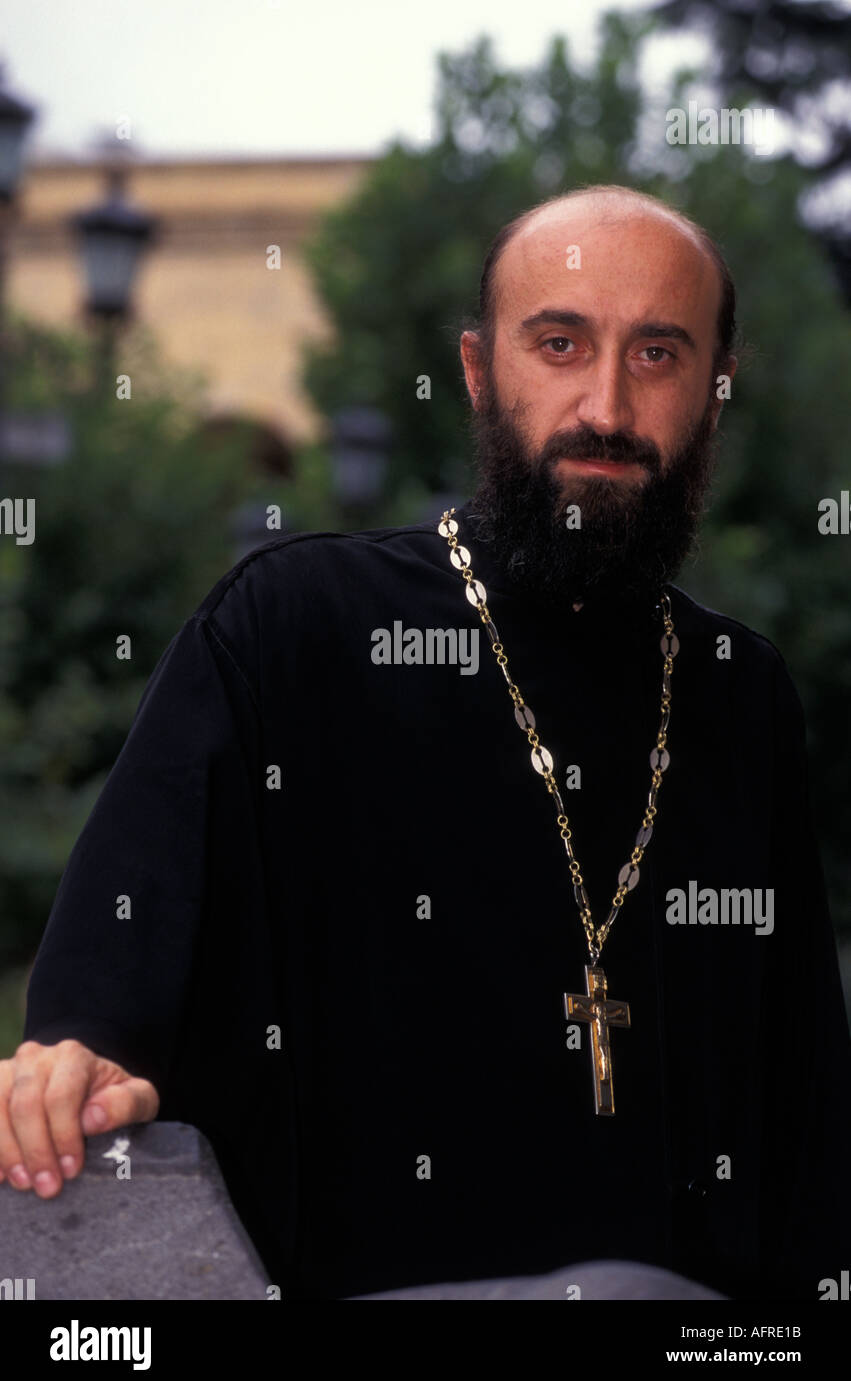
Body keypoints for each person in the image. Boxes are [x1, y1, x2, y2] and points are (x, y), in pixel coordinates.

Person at [1, 185, 848, 1302]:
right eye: (558, 343)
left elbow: (802, 1117)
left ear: (713, 388)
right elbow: (110, 984)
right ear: (478, 371)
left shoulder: (743, 695)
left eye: (657, 353)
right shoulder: (289, 628)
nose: (604, 403)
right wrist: (77, 1062)